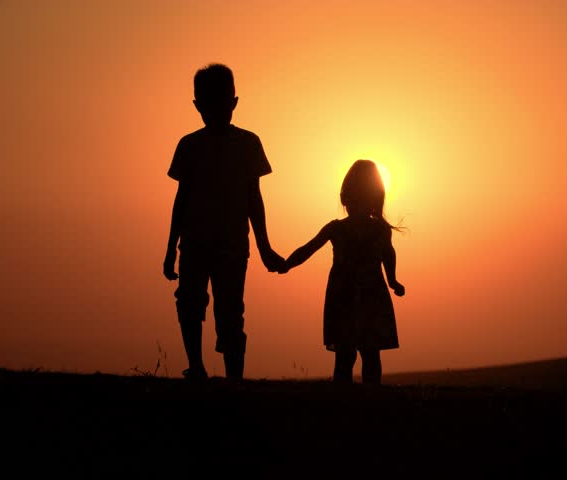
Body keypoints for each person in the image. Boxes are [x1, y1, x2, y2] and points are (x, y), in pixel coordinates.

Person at [163, 63, 285, 381]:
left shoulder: (247, 143)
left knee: (230, 311)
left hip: (232, 244)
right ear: (197, 106)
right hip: (194, 243)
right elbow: (181, 199)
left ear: (234, 102)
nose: (217, 109)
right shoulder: (189, 146)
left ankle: (234, 377)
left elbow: (253, 200)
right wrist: (169, 249)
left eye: (222, 101)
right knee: (190, 303)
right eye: (209, 103)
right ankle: (197, 366)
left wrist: (264, 247)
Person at [282, 160, 405, 385]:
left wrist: (393, 279)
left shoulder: (353, 229)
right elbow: (308, 249)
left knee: (355, 353)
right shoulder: (371, 229)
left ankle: (350, 399)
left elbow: (388, 254)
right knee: (365, 353)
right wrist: (392, 280)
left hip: (349, 296)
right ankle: (363, 398)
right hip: (358, 296)